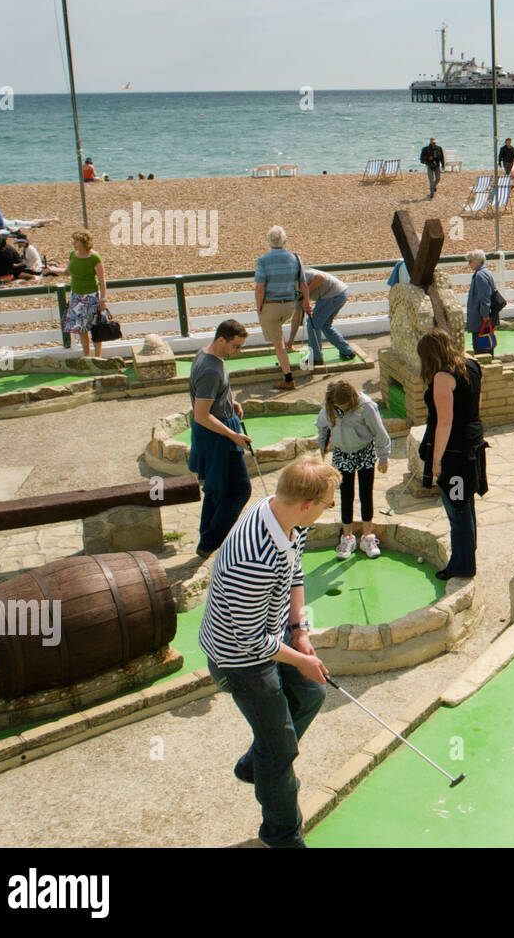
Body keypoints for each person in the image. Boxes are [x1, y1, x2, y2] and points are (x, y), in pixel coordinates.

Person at [199, 455, 338, 850]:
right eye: (327, 504)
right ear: (307, 504)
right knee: (281, 751)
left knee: (313, 693)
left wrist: (300, 631)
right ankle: (282, 836)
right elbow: (251, 641)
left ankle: (253, 765)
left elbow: (295, 572)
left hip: (272, 637)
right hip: (237, 659)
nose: (329, 510)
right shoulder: (254, 557)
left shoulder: (287, 518)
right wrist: (302, 660)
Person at [418, 328, 487, 580]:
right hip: (472, 445)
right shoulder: (472, 364)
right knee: (466, 505)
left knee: (457, 509)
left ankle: (463, 565)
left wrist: (437, 460)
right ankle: (466, 555)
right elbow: (477, 404)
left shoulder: (442, 377)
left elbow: (444, 422)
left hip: (455, 456)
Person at [189, 319, 253, 556]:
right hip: (217, 437)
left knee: (217, 490)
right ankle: (212, 541)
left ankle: (206, 542)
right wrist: (232, 435)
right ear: (221, 340)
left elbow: (213, 396)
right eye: (236, 346)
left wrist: (230, 401)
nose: (238, 351)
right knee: (240, 490)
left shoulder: (206, 355)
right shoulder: (211, 370)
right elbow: (201, 415)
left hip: (219, 430)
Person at [316, 379, 392, 559]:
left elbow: (380, 433)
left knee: (366, 494)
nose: (340, 410)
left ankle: (367, 536)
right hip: (342, 454)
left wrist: (383, 457)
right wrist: (322, 445)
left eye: (344, 406)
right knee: (346, 495)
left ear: (352, 399)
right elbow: (322, 426)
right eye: (337, 406)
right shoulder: (329, 407)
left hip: (363, 452)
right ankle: (347, 537)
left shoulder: (366, 406)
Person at [254, 226, 310, 391]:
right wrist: (306, 303)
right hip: (289, 306)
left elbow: (260, 287)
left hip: (271, 305)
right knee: (279, 341)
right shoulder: (295, 258)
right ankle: (284, 364)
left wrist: (259, 307)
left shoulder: (263, 260)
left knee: (279, 344)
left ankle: (288, 378)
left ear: (268, 241)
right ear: (284, 240)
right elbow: (304, 284)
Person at [285, 267, 355, 368]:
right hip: (338, 294)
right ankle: (347, 351)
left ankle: (316, 358)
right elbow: (297, 317)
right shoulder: (294, 291)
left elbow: (320, 277)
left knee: (313, 324)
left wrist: (306, 293)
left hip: (333, 294)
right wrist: (290, 342)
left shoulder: (300, 274)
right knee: (325, 326)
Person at [63, 230, 107, 358]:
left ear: (83, 242)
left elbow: (102, 279)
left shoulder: (95, 258)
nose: (73, 243)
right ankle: (87, 356)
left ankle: (98, 357)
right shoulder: (73, 255)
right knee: (81, 328)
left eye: (76, 241)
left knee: (95, 327)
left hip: (91, 296)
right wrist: (52, 270)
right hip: (76, 296)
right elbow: (67, 272)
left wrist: (103, 299)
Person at [465, 249, 497, 355]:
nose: (469, 264)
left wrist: (485, 316)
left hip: (481, 320)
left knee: (481, 350)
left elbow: (484, 298)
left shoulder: (480, 275)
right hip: (484, 318)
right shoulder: (486, 273)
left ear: (478, 261)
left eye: (470, 261)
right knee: (487, 347)